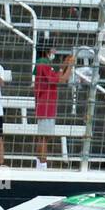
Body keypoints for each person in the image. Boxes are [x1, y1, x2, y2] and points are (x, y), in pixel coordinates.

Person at [32, 40, 72, 168]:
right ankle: (42, 165)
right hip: (46, 104)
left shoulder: (43, 64)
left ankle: (40, 164)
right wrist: (70, 66)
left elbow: (56, 76)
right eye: (52, 48)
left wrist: (63, 66)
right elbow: (61, 80)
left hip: (45, 104)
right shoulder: (43, 64)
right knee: (44, 137)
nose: (54, 51)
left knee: (44, 137)